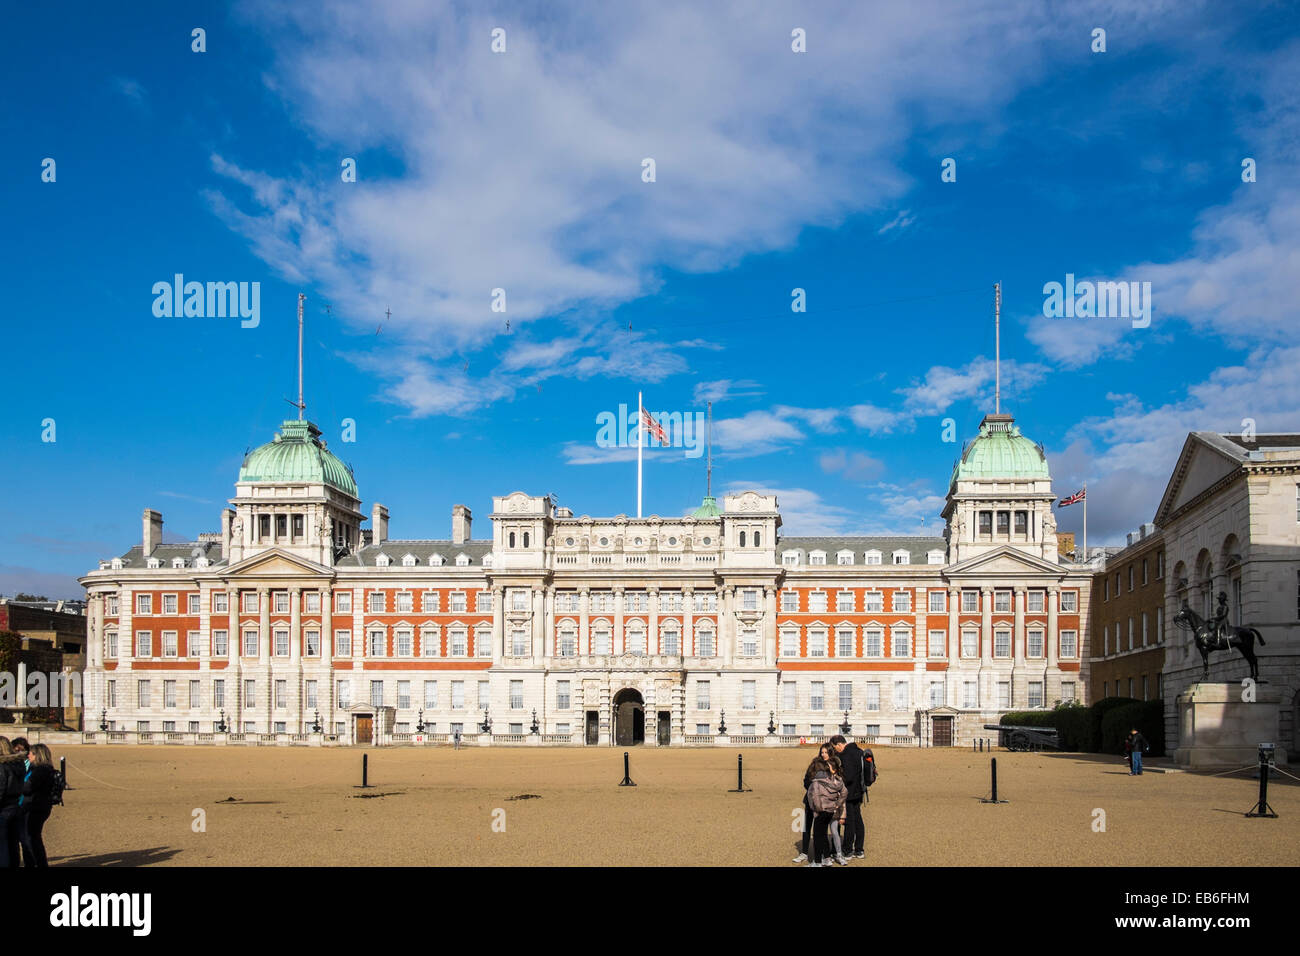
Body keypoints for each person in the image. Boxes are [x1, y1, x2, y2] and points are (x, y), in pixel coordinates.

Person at [830, 734, 869, 859]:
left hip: (849, 792)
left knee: (849, 821)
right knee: (858, 819)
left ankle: (847, 849)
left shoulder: (846, 754)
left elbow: (849, 776)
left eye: (835, 747)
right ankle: (859, 849)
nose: (835, 750)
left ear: (839, 745)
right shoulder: (858, 751)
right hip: (860, 790)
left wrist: (837, 782)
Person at [793, 744, 834, 863]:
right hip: (810, 800)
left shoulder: (833, 765)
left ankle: (823, 855)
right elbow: (806, 780)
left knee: (821, 830)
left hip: (824, 803)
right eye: (822, 752)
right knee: (806, 827)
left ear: (831, 753)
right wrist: (812, 788)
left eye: (826, 752)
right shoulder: (814, 764)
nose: (823, 754)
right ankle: (804, 853)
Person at [805, 756, 845, 867]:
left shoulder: (818, 781)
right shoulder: (836, 780)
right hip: (831, 810)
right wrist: (837, 804)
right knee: (823, 835)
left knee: (817, 836)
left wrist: (817, 810)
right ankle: (827, 859)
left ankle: (817, 862)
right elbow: (844, 792)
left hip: (821, 810)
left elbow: (815, 797)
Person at [20, 744, 56, 867]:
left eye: (31, 753)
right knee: (32, 837)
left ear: (37, 755)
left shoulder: (40, 770)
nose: (28, 755)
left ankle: (37, 863)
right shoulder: (44, 768)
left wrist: (18, 784)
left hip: (34, 807)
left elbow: (28, 788)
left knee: (30, 838)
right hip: (40, 806)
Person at [0, 738, 30, 868]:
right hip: (15, 805)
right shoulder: (19, 764)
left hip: (3, 808)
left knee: (2, 844)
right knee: (12, 843)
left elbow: (1, 789)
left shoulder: (2, 766)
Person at [825, 754, 850, 866]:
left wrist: (843, 816)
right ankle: (825, 855)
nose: (826, 769)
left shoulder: (839, 781)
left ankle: (838, 854)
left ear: (834, 770)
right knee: (823, 834)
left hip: (834, 812)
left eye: (828, 767)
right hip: (824, 811)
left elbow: (843, 800)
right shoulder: (824, 779)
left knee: (835, 833)